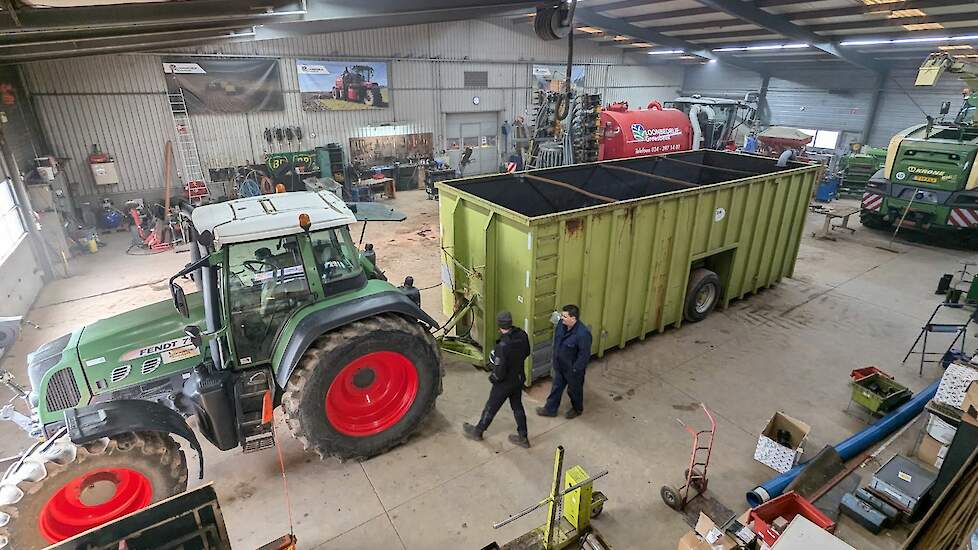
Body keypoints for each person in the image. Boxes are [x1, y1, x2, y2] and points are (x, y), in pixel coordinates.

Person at [463, 311, 532, 448]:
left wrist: (494, 378)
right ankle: (523, 437)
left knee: (491, 407)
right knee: (517, 406)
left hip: (504, 383)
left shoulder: (502, 345)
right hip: (518, 378)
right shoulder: (522, 335)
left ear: (499, 325)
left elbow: (499, 371)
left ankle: (478, 431)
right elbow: (527, 352)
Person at [537, 304, 592, 419]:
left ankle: (577, 409)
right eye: (562, 315)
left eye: (565, 317)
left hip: (573, 370)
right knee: (556, 387)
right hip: (560, 365)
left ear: (573, 318)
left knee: (574, 391)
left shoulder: (583, 334)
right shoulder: (561, 326)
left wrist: (575, 369)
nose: (562, 318)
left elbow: (584, 355)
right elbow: (557, 342)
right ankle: (550, 409)